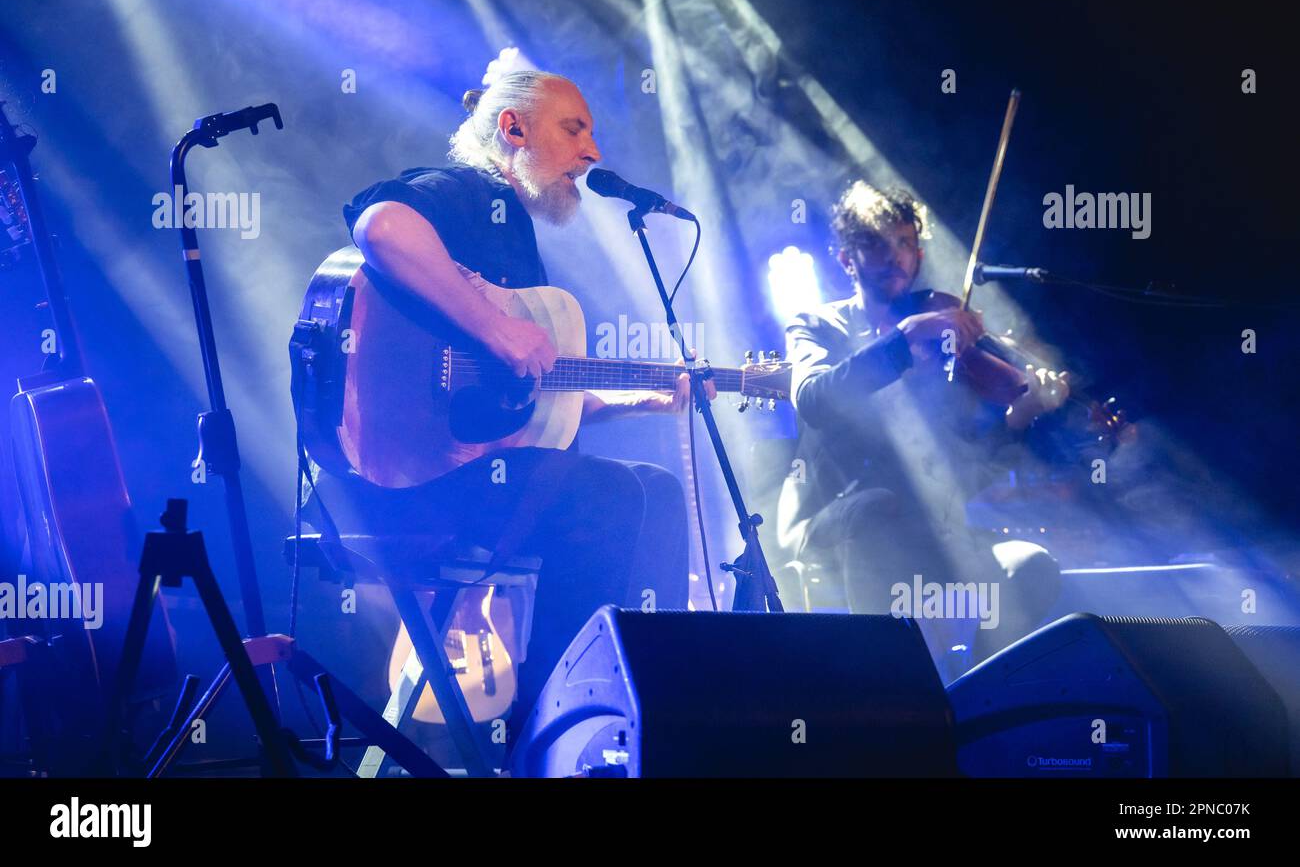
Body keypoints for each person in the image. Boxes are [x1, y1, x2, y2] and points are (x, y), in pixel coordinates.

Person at [315, 70, 712, 753]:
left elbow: (518, 407)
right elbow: (380, 227)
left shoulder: (512, 232)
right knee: (608, 498)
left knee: (657, 489)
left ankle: (647, 715)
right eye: (574, 128)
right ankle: (554, 732)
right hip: (397, 484)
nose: (592, 152)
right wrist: (493, 329)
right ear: (513, 129)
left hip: (462, 477)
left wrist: (633, 400)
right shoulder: (470, 193)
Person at [776, 182, 1067, 667]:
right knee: (878, 506)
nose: (895, 256)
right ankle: (885, 690)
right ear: (847, 259)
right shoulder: (818, 325)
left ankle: (975, 696)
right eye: (876, 244)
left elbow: (969, 463)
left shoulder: (941, 335)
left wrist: (1023, 413)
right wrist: (903, 341)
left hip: (932, 532)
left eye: (905, 243)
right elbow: (812, 399)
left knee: (1030, 566)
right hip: (837, 518)